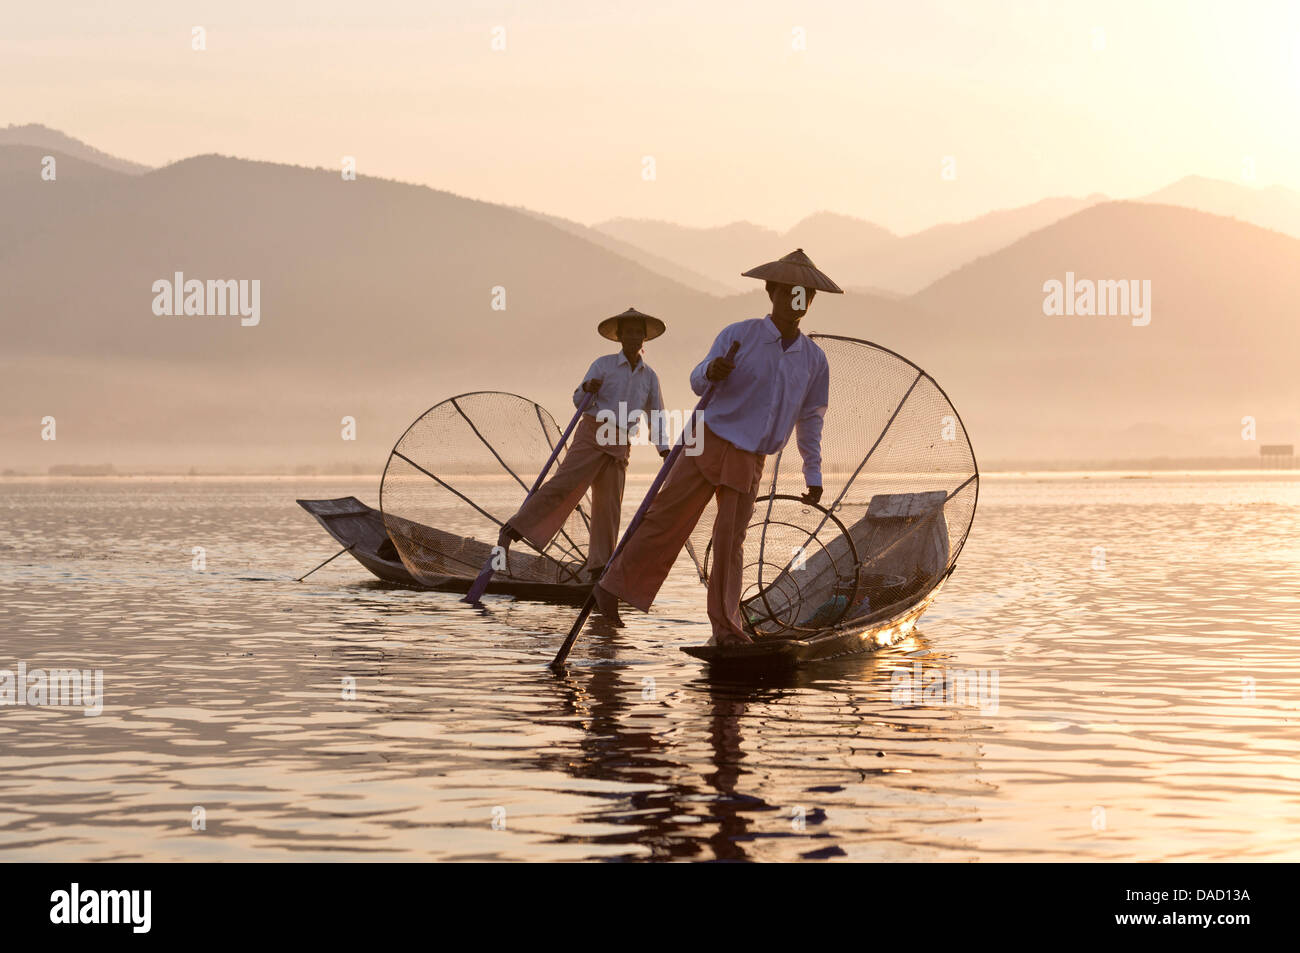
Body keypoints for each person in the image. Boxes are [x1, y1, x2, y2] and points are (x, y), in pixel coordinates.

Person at [594, 249, 842, 644]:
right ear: (772, 291)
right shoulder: (739, 335)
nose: (797, 300)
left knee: (730, 543)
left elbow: (811, 419)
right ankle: (611, 587)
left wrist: (813, 471)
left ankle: (726, 628)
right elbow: (698, 380)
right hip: (707, 439)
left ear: (810, 301)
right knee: (665, 520)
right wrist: (713, 371)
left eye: (805, 295)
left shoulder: (813, 361)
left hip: (750, 456)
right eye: (790, 291)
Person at [499, 308, 671, 580]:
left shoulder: (649, 377)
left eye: (638, 333)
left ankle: (599, 568)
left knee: (609, 507)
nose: (634, 337)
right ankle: (514, 528)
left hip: (620, 442)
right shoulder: (603, 365)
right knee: (563, 485)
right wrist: (587, 388)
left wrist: (664, 449)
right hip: (592, 433)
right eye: (629, 332)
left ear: (644, 339)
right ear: (620, 336)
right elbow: (580, 401)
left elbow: (656, 414)